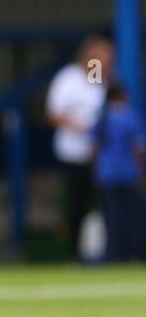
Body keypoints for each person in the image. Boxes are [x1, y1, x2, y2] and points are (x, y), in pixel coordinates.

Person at [47, 35, 115, 260]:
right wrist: (82, 126)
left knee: (107, 205)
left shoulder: (102, 81)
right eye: (104, 54)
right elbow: (54, 114)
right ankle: (73, 256)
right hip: (73, 154)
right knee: (76, 205)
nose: (108, 59)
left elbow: (104, 111)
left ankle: (111, 253)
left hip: (100, 155)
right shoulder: (69, 78)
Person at [92, 81, 145, 262]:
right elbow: (138, 149)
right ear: (123, 96)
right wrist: (141, 173)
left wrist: (97, 171)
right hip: (128, 173)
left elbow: (95, 149)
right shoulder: (131, 118)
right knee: (131, 217)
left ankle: (114, 255)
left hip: (107, 174)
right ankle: (133, 255)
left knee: (112, 217)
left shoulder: (102, 119)